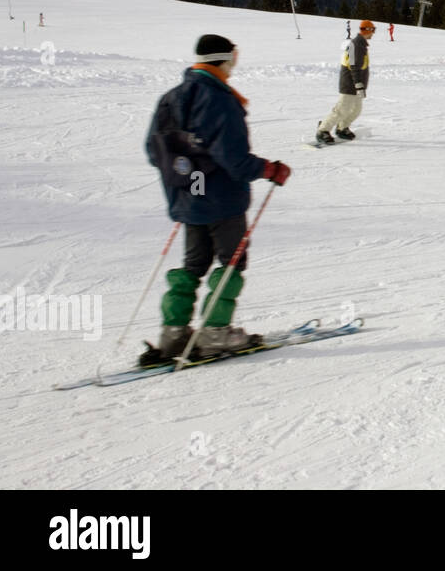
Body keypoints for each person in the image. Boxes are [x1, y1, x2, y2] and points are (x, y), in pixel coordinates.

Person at [144, 34, 291, 361]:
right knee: (231, 260)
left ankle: (173, 333)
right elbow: (235, 161)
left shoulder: (171, 97)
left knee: (194, 263)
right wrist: (270, 170)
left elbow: (154, 152)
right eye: (234, 58)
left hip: (189, 196)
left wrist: (188, 174)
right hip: (221, 198)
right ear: (225, 60)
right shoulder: (220, 100)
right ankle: (215, 331)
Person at [318, 20, 375, 144]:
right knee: (342, 110)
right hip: (350, 84)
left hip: (357, 85)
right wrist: (359, 85)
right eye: (373, 30)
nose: (373, 33)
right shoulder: (355, 45)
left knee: (356, 110)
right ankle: (323, 130)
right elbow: (353, 66)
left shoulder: (362, 45)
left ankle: (342, 127)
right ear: (367, 30)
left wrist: (361, 86)